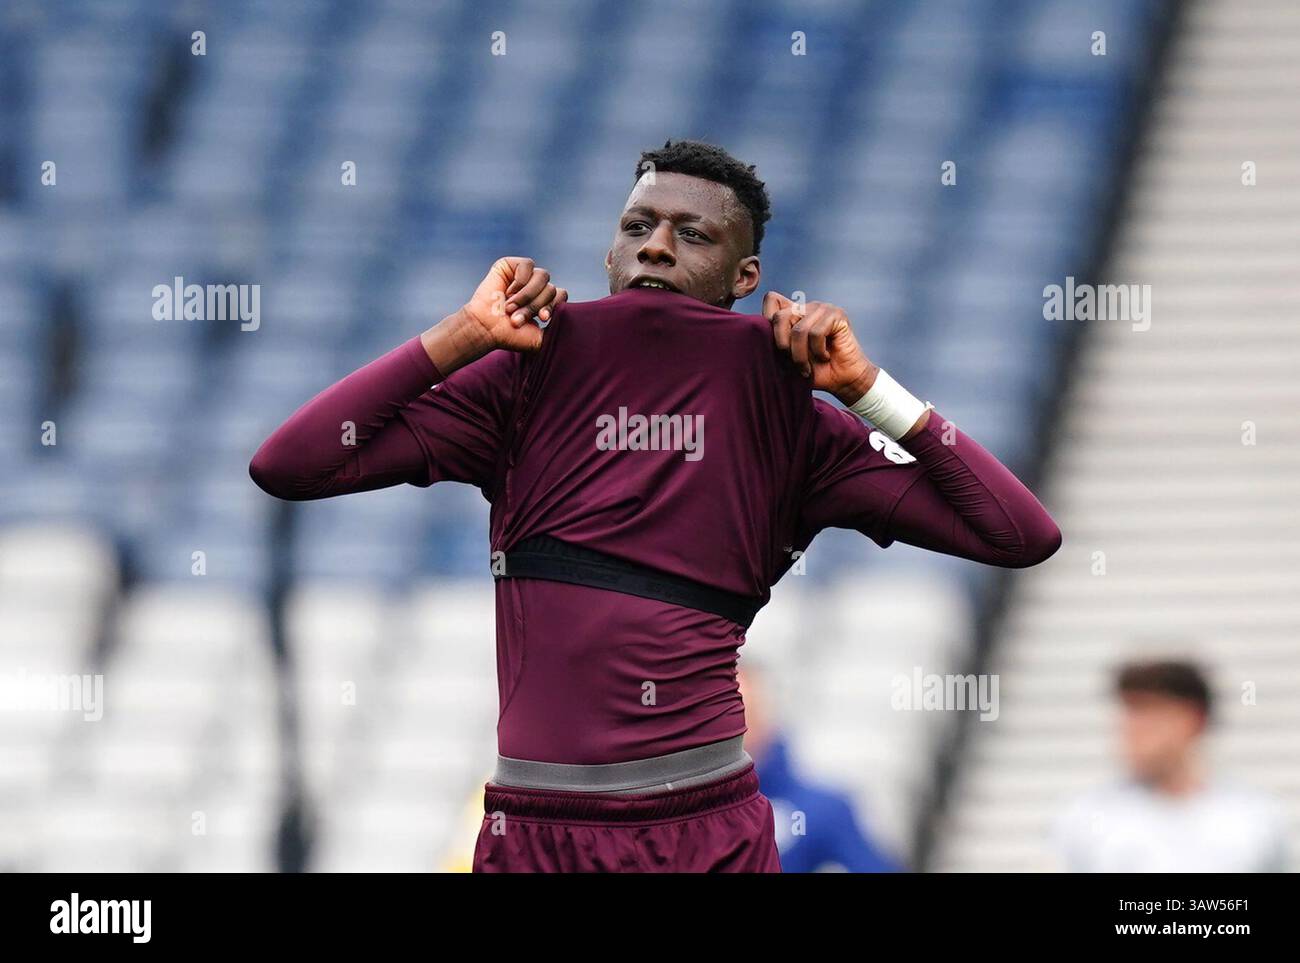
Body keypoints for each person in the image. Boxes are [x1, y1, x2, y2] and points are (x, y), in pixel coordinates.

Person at [250, 139, 1060, 872]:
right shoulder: (523, 378)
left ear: (748, 278)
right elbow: (289, 463)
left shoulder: (794, 419)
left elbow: (1020, 532)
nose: (658, 245)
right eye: (639, 225)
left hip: (699, 827)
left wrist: (867, 390)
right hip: (533, 824)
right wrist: (464, 332)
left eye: (694, 233)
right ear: (609, 250)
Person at [1053, 659, 1286, 872]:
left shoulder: (1254, 818)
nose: (1131, 730)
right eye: (1128, 714)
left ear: (1193, 720)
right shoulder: (1087, 818)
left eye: (1147, 713)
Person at [740, 664, 903, 872]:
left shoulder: (821, 810)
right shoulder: (691, 812)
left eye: (746, 713)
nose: (736, 730)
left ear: (767, 716)